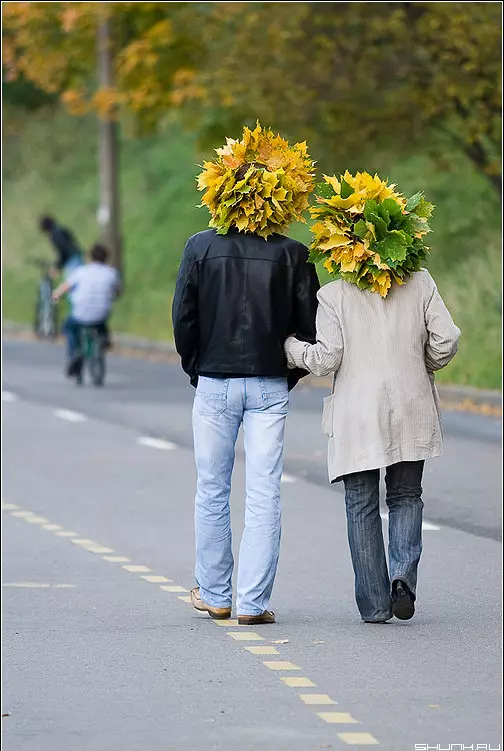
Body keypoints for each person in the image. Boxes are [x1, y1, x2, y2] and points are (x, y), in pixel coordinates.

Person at [172, 123, 319, 625]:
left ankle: (215, 593)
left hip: (214, 379)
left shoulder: (199, 247)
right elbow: (308, 328)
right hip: (267, 384)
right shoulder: (293, 254)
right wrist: (283, 375)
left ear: (222, 194)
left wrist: (198, 367)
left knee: (211, 488)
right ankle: (253, 603)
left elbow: (184, 318)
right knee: (265, 490)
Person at [285, 268, 460, 623]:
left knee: (361, 505)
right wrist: (417, 364)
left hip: (357, 415)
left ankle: (375, 606)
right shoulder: (421, 280)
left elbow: (326, 359)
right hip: (412, 405)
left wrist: (290, 347)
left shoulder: (334, 294)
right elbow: (447, 339)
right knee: (406, 496)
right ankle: (402, 580)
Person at [52, 244, 122, 376]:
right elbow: (118, 291)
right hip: (102, 313)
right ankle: (104, 339)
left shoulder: (81, 271)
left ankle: (74, 354)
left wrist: (55, 295)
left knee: (69, 328)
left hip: (81, 314)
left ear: (90, 257)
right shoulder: (111, 273)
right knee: (101, 323)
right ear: (106, 258)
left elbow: (64, 287)